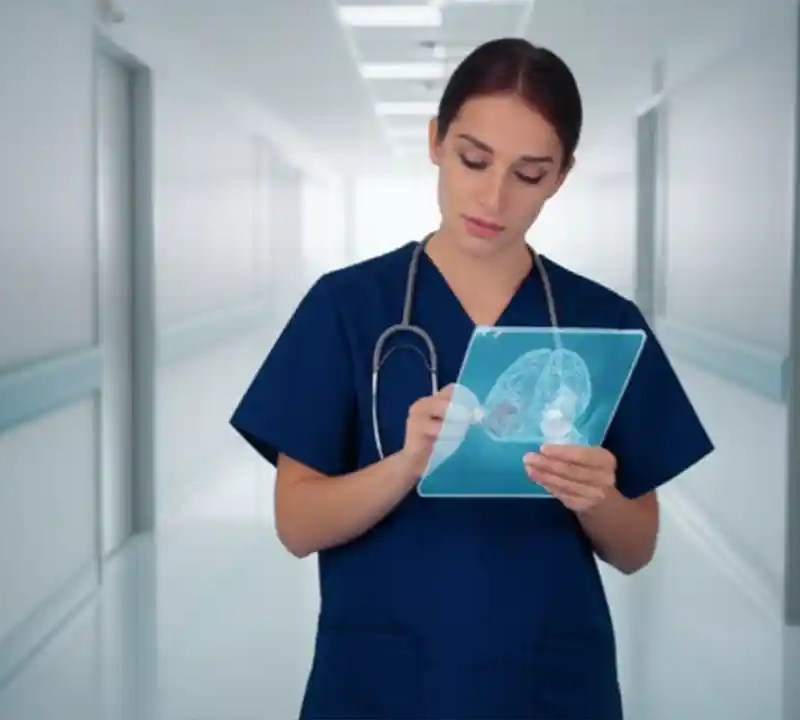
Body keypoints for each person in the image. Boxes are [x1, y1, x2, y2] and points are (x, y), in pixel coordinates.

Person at [230, 37, 713, 720]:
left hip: (548, 678)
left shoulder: (600, 322)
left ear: (562, 176)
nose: (493, 196)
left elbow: (636, 547)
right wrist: (407, 466)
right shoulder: (347, 308)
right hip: (383, 677)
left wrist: (596, 496)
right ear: (434, 141)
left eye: (530, 173)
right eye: (473, 159)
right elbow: (296, 523)